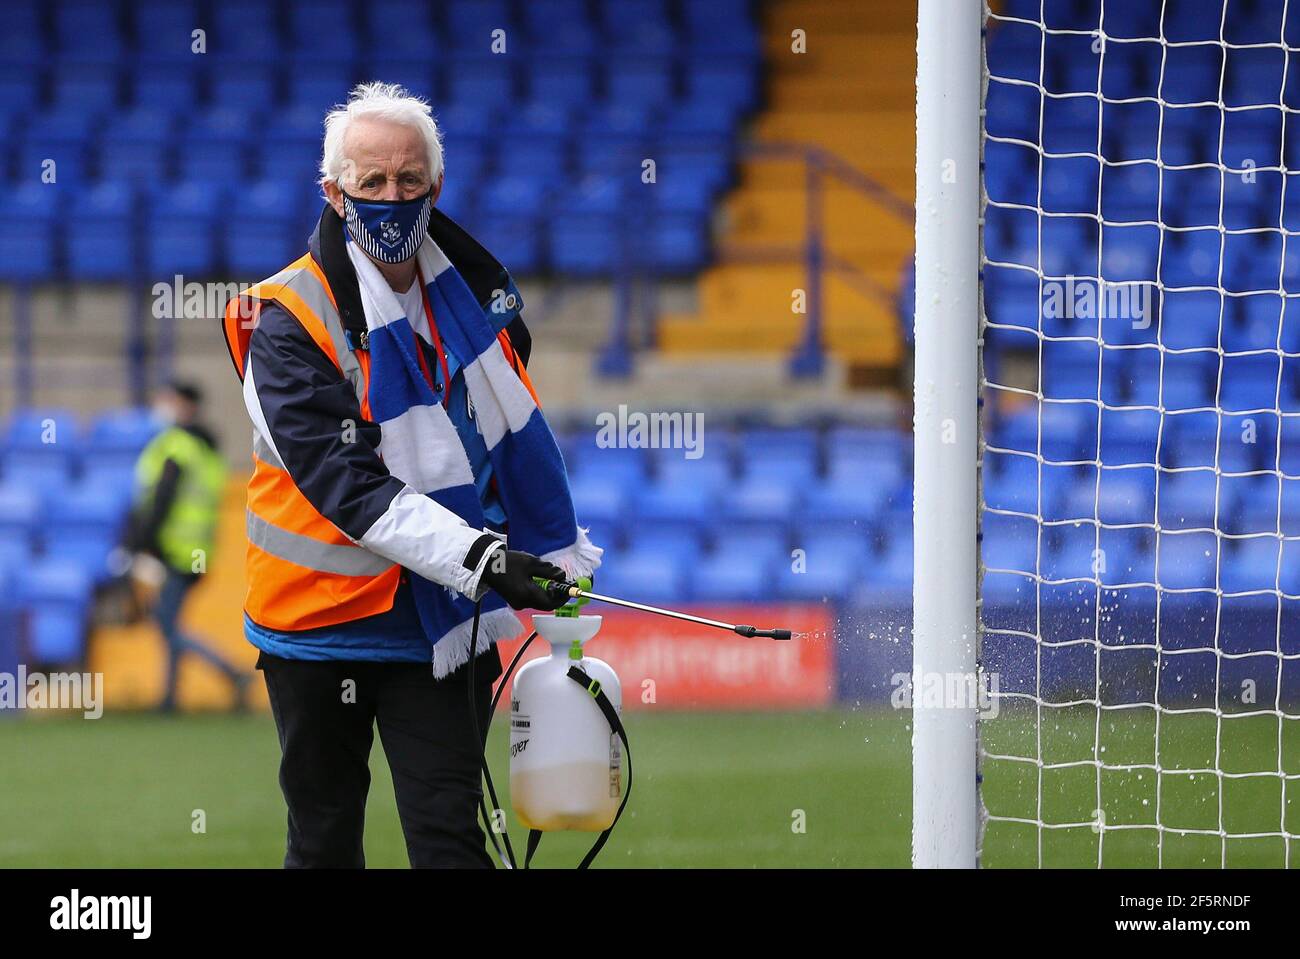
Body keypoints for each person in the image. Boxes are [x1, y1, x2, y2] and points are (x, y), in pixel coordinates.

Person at [220, 82, 601, 868]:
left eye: (407, 181)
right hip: (317, 625)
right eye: (371, 183)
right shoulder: (281, 317)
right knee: (324, 843)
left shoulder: (478, 305)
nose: (391, 198)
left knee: (450, 841)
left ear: (436, 187)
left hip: (438, 622)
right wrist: (490, 560)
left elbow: (497, 446)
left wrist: (520, 554)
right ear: (333, 191)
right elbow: (347, 484)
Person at [126, 380, 249, 712]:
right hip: (198, 552)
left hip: (173, 550)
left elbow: (162, 499)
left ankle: (232, 672)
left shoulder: (176, 446)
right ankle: (169, 699)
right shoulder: (207, 450)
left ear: (184, 406)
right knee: (171, 624)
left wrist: (144, 543)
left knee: (167, 626)